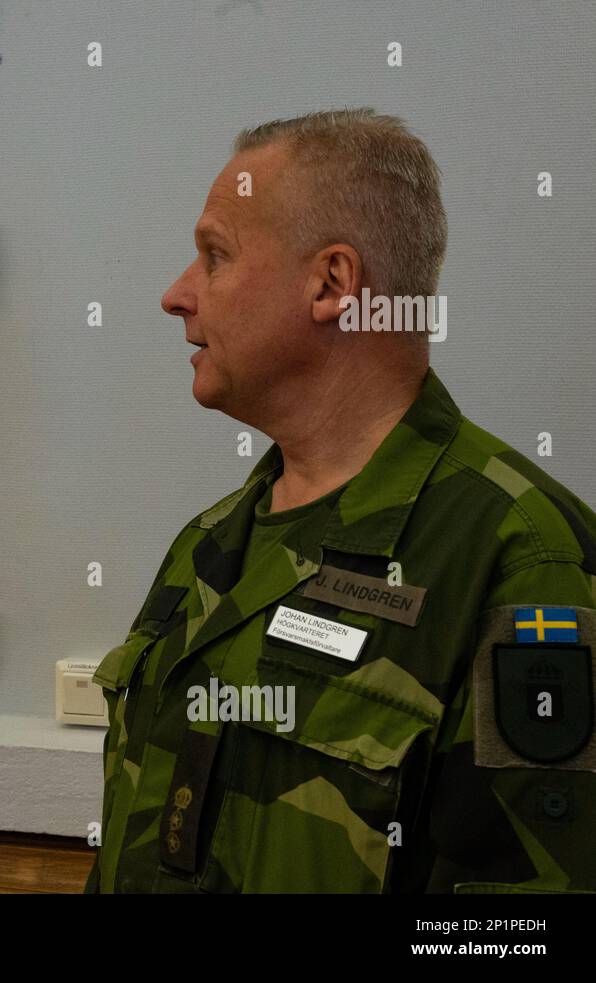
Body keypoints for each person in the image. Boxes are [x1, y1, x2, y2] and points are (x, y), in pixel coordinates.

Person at [85, 109, 595, 893]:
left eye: (215, 256)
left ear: (331, 284)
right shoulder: (208, 543)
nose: (177, 295)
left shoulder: (525, 563)